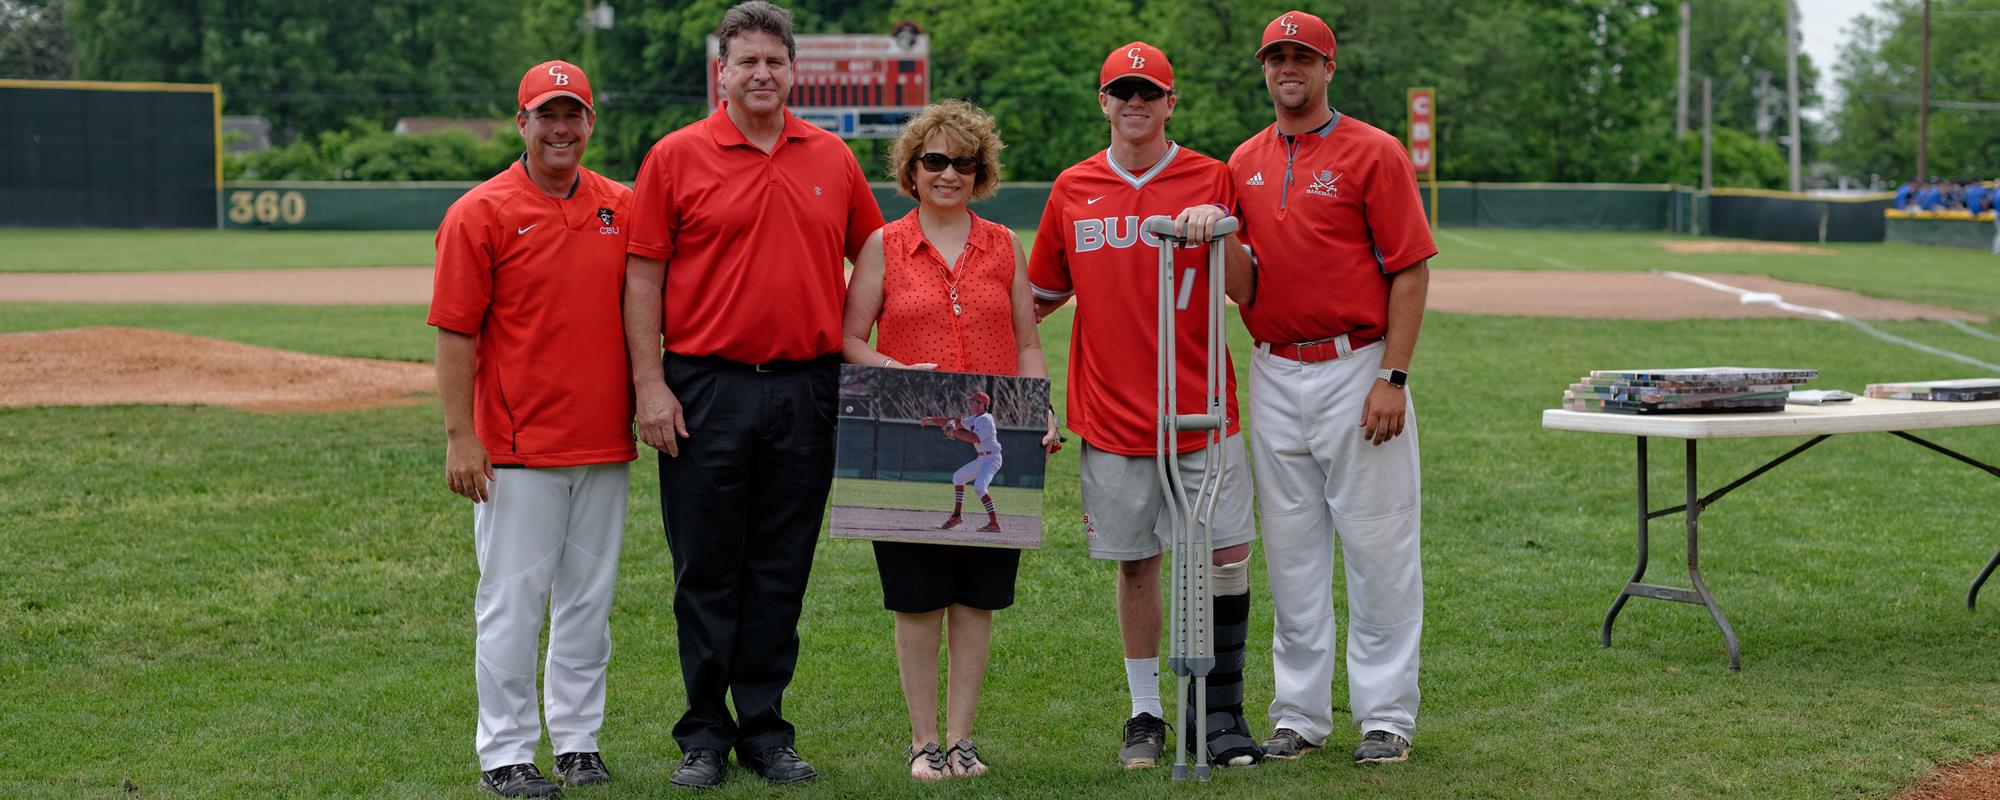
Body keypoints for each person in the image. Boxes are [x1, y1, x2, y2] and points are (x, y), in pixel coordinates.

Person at [622, 1, 884, 789]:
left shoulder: (830, 157)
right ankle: (704, 732)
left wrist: (854, 336)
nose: (762, 73)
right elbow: (642, 274)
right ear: (723, 73)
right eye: (748, 61)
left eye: (775, 60)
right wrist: (650, 384)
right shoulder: (675, 156)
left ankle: (765, 730)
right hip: (705, 386)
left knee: (780, 565)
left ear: (792, 69)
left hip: (806, 386)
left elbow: (871, 243)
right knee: (706, 564)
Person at [1027, 41, 1263, 771]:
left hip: (1200, 407)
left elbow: (1247, 288)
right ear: (1103, 102)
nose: (1135, 104)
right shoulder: (1073, 187)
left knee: (1225, 553)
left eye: (1149, 92)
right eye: (1122, 92)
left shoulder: (1210, 174)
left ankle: (1220, 712)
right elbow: (1035, 298)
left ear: (1170, 103)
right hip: (1111, 414)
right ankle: (1146, 713)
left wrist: (1216, 227)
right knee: (1136, 565)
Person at [1226, 11, 1435, 766]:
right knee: (1292, 555)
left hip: (1358, 364)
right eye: (1276, 57)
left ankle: (1385, 716)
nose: (1288, 68)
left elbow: (1409, 268)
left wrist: (1393, 375)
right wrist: (1218, 241)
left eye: (1301, 57)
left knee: (1378, 549)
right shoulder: (1242, 159)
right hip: (1276, 365)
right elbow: (1244, 281)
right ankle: (1299, 716)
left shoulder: (1373, 151)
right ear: (1265, 68)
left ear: (1326, 68)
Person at [428, 60, 634, 798]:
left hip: (606, 440)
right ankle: (506, 751)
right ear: (521, 123)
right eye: (546, 115)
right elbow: (456, 333)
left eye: (572, 114)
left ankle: (578, 740)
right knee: (512, 603)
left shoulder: (621, 204)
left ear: (590, 123)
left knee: (588, 604)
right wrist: (461, 435)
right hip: (516, 450)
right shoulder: (480, 211)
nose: (560, 129)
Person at [840, 98, 1058, 780]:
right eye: (934, 160)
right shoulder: (884, 244)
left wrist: (1040, 410)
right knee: (917, 598)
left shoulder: (1003, 245)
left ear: (980, 171)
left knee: (976, 601)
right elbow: (847, 340)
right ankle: (922, 742)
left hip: (992, 432)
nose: (948, 173)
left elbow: (1027, 341)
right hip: (914, 435)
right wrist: (895, 370)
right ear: (911, 169)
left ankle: (962, 740)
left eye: (963, 163)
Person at [920, 391, 1006, 533]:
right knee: (958, 477)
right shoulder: (974, 419)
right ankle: (956, 515)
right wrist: (931, 419)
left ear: (982, 404)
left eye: (973, 401)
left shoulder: (986, 419)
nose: (970, 404)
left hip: (992, 459)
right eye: (971, 401)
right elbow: (954, 421)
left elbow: (974, 438)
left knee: (979, 488)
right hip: (982, 458)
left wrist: (953, 432)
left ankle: (994, 523)